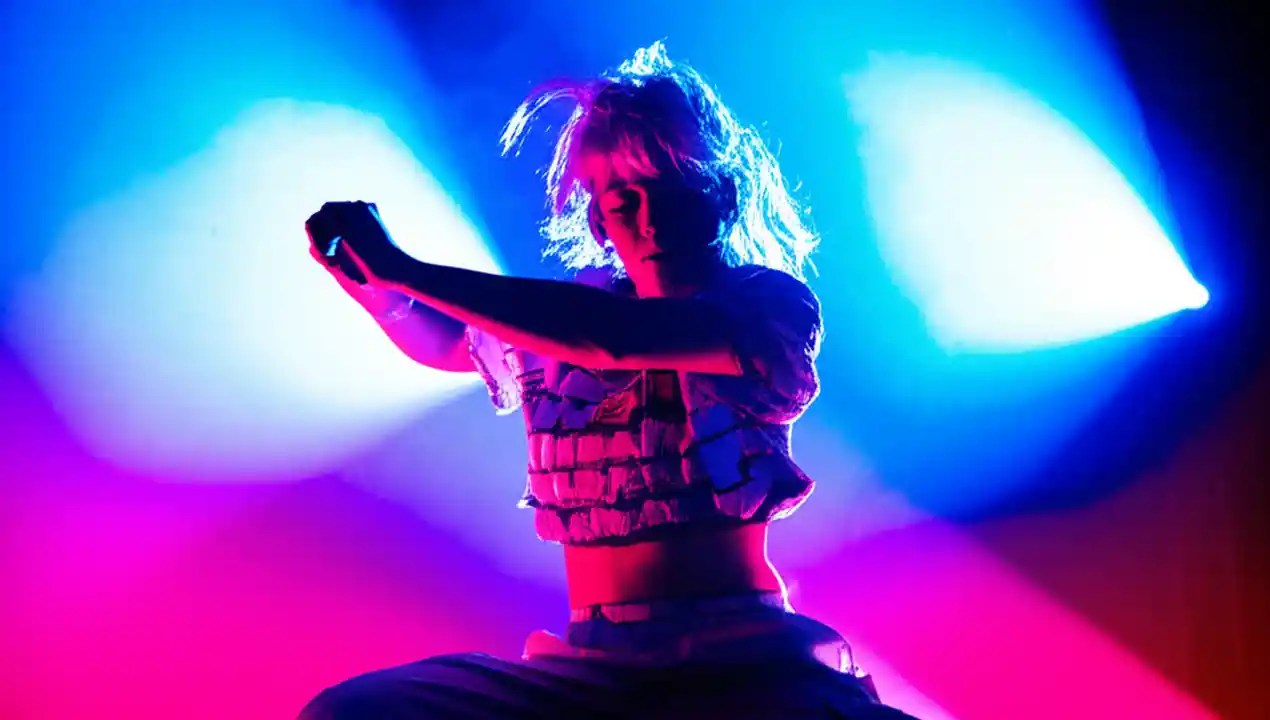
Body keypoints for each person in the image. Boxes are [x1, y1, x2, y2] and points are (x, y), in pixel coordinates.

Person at [299, 42, 916, 720]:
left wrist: (407, 269)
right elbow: (448, 344)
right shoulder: (561, 322)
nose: (648, 218)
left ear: (720, 194)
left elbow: (615, 338)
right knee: (357, 711)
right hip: (591, 666)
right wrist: (376, 289)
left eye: (670, 190)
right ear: (597, 218)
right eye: (622, 201)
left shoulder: (765, 307)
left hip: (746, 657)